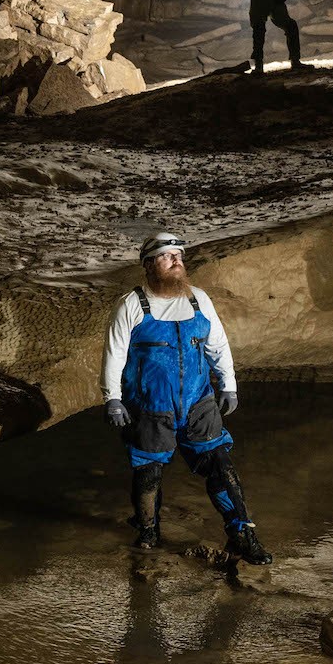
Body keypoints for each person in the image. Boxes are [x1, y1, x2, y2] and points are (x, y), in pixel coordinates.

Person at [101, 232, 272, 564]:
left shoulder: (198, 299)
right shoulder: (132, 305)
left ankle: (242, 534)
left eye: (179, 254)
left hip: (198, 403)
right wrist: (113, 398)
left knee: (222, 466)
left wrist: (228, 385)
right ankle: (148, 532)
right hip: (151, 407)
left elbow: (217, 345)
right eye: (167, 256)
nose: (176, 260)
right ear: (149, 265)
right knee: (148, 473)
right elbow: (114, 355)